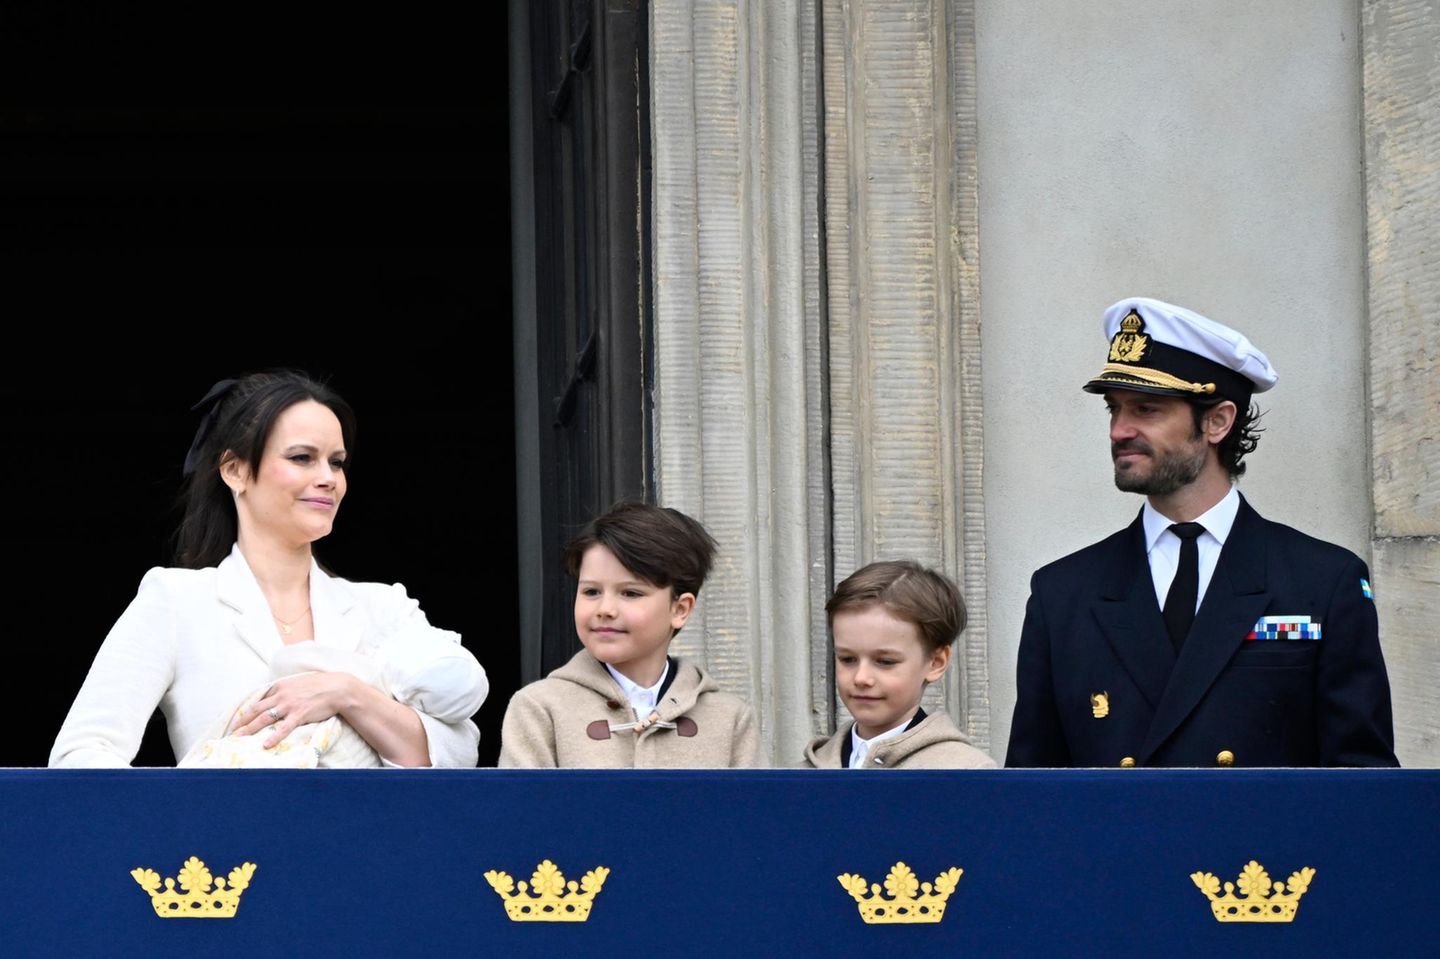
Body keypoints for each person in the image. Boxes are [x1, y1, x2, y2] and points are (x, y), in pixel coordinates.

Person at [1006, 297, 1397, 768]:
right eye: (1114, 409)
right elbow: (1032, 787)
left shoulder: (1324, 581)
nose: (1119, 430)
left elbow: (1361, 781)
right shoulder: (1062, 593)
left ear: (1217, 422)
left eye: (1146, 409)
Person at [50, 372, 487, 768]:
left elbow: (458, 753)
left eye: (336, 462)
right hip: (227, 832)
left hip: (368, 832)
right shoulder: (177, 601)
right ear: (235, 470)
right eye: (302, 457)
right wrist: (174, 819)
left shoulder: (385, 607)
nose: (328, 478)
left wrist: (345, 693)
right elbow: (81, 754)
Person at [498, 502, 761, 767]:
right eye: (591, 591)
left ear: (680, 609)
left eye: (630, 593)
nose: (605, 609)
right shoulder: (539, 708)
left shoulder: (730, 719)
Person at [802, 560, 995, 769]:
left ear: (935, 663)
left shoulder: (967, 772)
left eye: (885, 662)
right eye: (848, 659)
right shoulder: (802, 773)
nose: (861, 678)